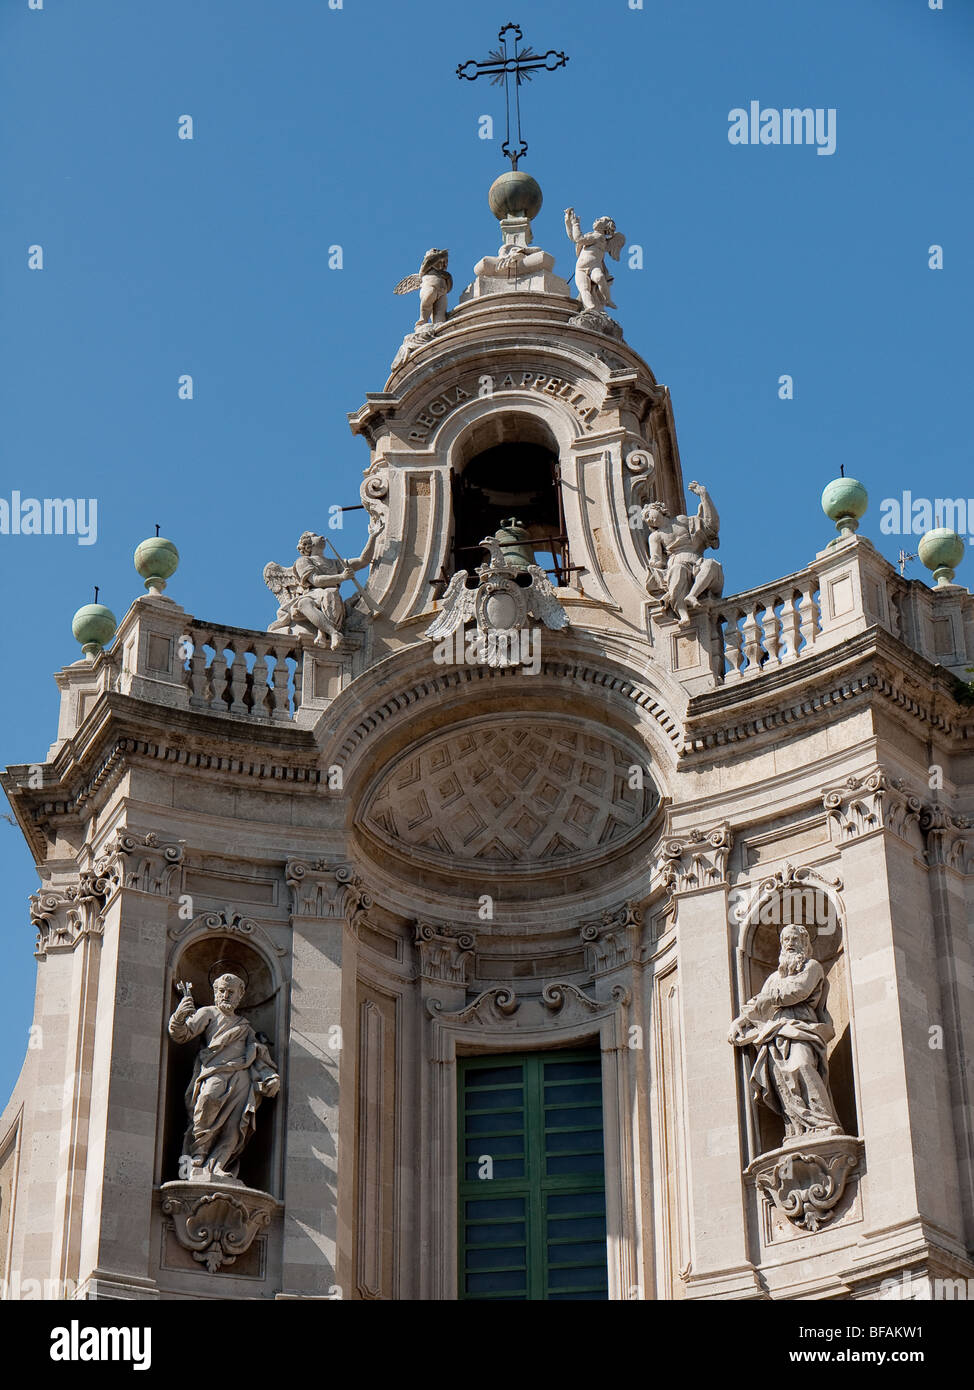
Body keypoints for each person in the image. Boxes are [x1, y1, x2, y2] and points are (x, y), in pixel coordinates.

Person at [728, 925, 843, 1139]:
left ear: (804, 943)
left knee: (802, 1066)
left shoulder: (812, 966)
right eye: (785, 940)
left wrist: (767, 998)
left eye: (794, 940)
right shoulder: (773, 978)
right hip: (776, 1034)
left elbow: (798, 991)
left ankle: (822, 1123)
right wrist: (741, 1021)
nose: (789, 944)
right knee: (783, 1081)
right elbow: (757, 1003)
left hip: (801, 1028)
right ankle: (797, 1130)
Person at [168, 973, 280, 1184]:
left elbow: (258, 1055)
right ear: (215, 993)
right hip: (214, 1073)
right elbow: (181, 1034)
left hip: (241, 1078)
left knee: (236, 1124)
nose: (226, 996)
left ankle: (218, 1165)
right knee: (206, 1106)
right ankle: (197, 1160)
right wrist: (179, 1016)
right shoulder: (208, 1013)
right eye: (222, 991)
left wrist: (269, 1076)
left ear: (240, 995)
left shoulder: (245, 1027)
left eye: (231, 992)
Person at [643, 480, 724, 624]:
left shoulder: (681, 520)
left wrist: (704, 496)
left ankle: (692, 595)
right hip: (677, 562)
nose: (649, 520)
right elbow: (657, 560)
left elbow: (711, 526)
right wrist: (655, 563)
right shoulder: (655, 536)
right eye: (646, 520)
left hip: (696, 560)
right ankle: (683, 613)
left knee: (711, 565)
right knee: (677, 571)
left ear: (658, 508)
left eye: (649, 514)